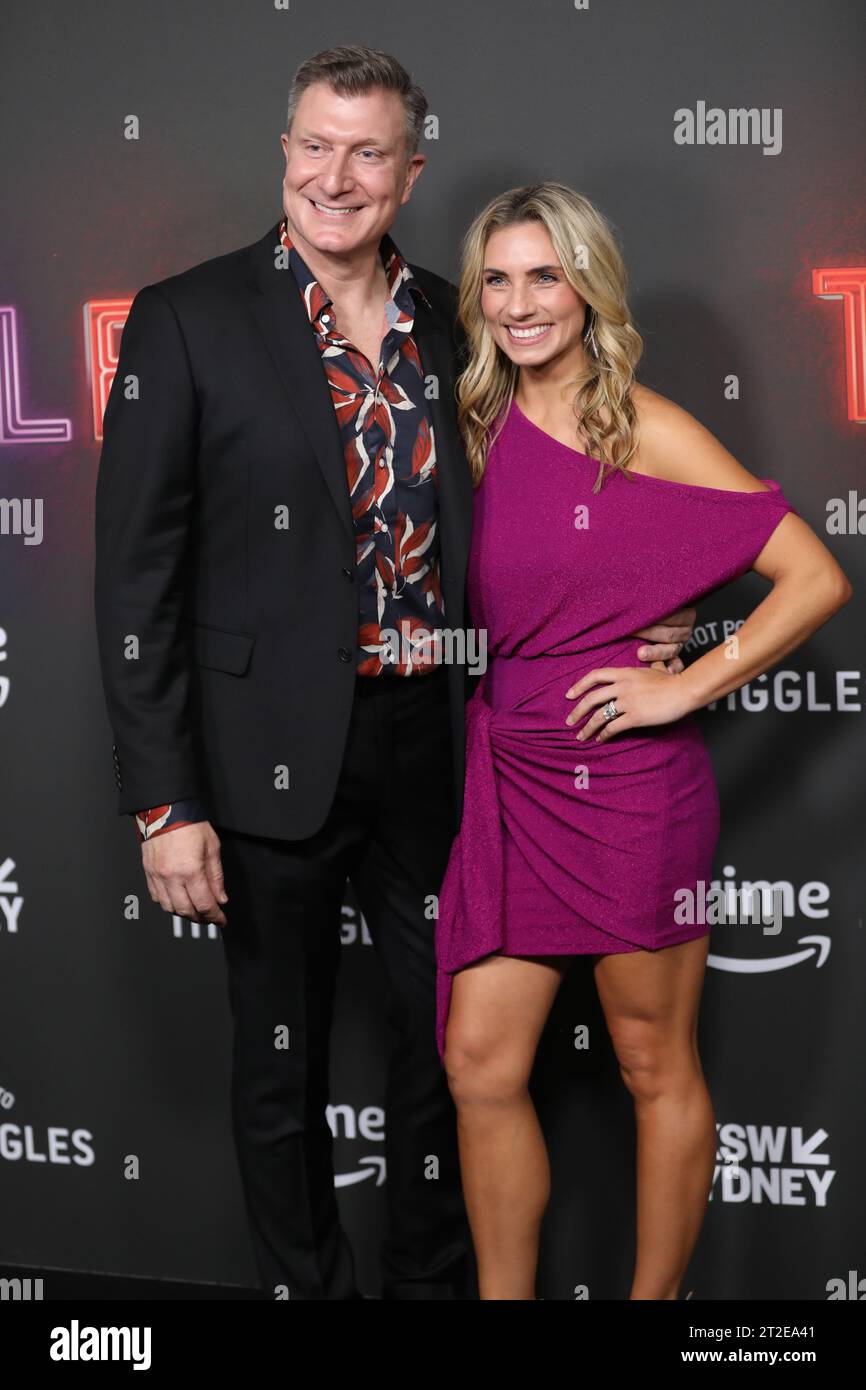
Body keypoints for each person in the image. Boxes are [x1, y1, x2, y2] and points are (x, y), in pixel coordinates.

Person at [94, 49, 697, 1300]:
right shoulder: (187, 318)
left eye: (368, 152)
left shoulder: (455, 314)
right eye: (316, 145)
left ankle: (428, 1291)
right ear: (284, 151)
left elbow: (570, 493)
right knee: (281, 1062)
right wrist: (165, 801)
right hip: (261, 754)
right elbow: (134, 581)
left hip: (440, 741)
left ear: (409, 170)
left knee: (450, 1058)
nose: (336, 176)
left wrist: (665, 620)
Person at [435, 180, 852, 1301]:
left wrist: (686, 683)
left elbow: (812, 576)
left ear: (586, 285)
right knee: (478, 1062)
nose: (521, 302)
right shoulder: (469, 421)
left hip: (625, 786)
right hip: (508, 774)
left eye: (545, 274)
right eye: (498, 278)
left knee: (647, 1061)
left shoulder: (648, 426)